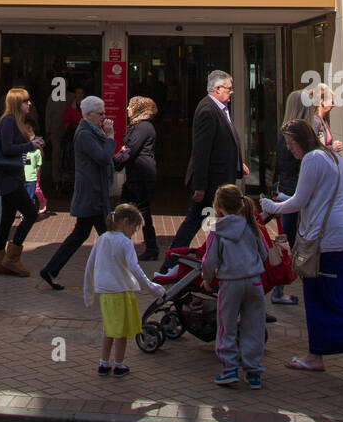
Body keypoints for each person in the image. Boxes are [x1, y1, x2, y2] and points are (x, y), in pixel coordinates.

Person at [261, 119, 343, 375]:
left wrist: (272, 206)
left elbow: (300, 201)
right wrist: (285, 201)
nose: (289, 149)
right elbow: (316, 197)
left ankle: (331, 355)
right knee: (335, 296)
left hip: (327, 240)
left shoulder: (312, 159)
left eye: (291, 143)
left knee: (335, 298)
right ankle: (316, 353)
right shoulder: (332, 157)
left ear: (301, 140)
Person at [163, 70, 248, 265]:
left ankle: (213, 262)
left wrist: (237, 162)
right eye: (228, 88)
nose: (232, 92)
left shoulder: (220, 109)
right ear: (217, 89)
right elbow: (201, 151)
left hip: (219, 180)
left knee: (211, 222)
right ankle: (170, 264)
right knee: (196, 221)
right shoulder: (208, 110)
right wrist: (200, 186)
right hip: (211, 183)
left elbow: (223, 143)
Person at [40, 96, 116, 291]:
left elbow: (104, 158)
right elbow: (102, 157)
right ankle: (118, 276)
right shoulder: (84, 134)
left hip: (94, 192)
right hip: (92, 194)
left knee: (82, 234)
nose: (103, 117)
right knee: (107, 236)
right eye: (100, 113)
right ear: (89, 114)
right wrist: (110, 137)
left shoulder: (92, 131)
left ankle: (50, 269)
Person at [83, 203, 165, 376]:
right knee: (121, 332)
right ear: (126, 222)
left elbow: (90, 264)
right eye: (135, 227)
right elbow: (135, 268)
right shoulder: (125, 243)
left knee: (109, 329)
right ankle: (118, 365)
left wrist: (88, 291)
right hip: (121, 290)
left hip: (105, 292)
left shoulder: (103, 238)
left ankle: (104, 364)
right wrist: (151, 287)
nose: (135, 231)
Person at [202, 184, 269, 389]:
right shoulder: (252, 227)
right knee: (254, 325)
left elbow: (209, 260)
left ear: (218, 207)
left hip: (230, 281)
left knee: (227, 325)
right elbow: (264, 253)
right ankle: (253, 370)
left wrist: (207, 278)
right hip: (254, 280)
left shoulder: (217, 230)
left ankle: (229, 368)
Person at [270, 88, 320, 304]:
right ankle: (280, 288)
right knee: (292, 244)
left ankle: (280, 289)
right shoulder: (295, 138)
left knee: (289, 243)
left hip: (287, 192)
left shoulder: (285, 136)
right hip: (293, 195)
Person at [0, 88, 44, 278]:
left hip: (10, 176)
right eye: (25, 101)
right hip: (9, 177)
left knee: (7, 219)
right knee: (30, 213)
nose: (29, 104)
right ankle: (11, 259)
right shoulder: (9, 120)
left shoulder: (14, 121)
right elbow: (7, 148)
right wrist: (30, 145)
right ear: (16, 104)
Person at [120, 96, 159, 260]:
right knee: (141, 211)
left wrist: (117, 160)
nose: (127, 109)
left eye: (130, 106)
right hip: (138, 174)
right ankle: (150, 247)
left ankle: (123, 245)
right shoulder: (140, 126)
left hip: (140, 175)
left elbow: (131, 149)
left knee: (127, 210)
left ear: (138, 109)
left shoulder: (143, 127)